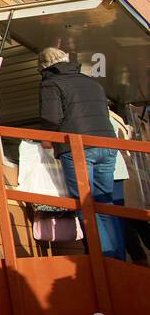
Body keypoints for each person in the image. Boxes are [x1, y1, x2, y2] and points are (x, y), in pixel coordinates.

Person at [37, 47, 124, 259]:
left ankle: (102, 258)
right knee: (105, 204)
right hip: (106, 144)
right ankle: (117, 259)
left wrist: (47, 139)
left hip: (77, 148)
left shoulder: (50, 83)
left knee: (85, 204)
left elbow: (51, 118)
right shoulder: (92, 82)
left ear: (43, 65)